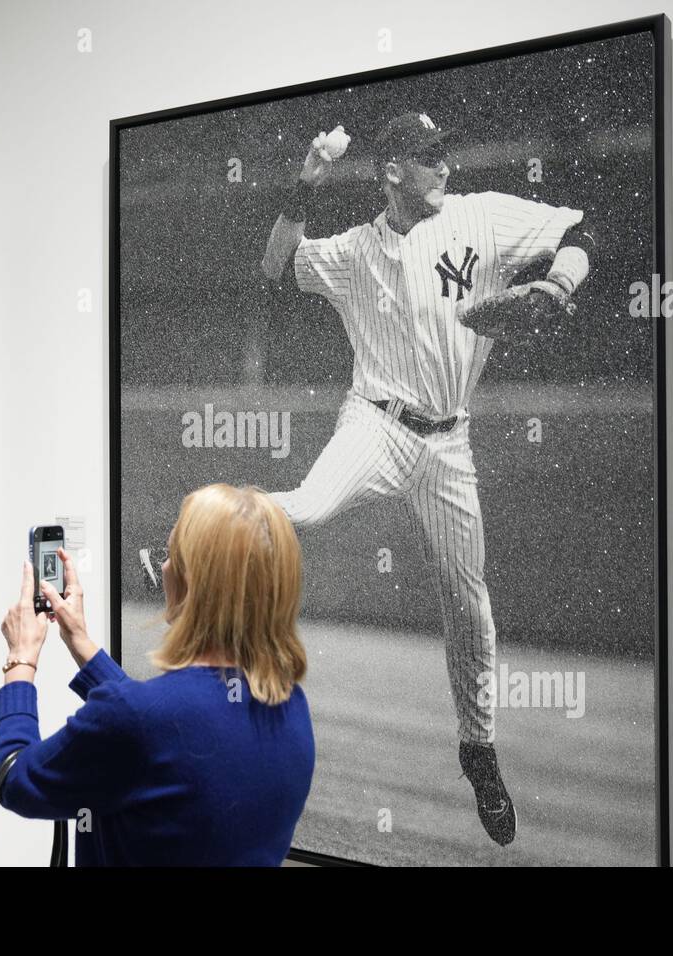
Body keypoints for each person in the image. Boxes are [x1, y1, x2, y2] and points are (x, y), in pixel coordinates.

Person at [146, 111, 596, 847]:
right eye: (427, 156)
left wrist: (553, 289)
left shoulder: (480, 218)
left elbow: (584, 232)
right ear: (390, 171)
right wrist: (303, 185)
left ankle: (478, 749)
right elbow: (273, 266)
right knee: (311, 508)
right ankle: (187, 539)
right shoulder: (355, 251)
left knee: (467, 599)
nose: (444, 166)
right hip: (377, 424)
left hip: (449, 442)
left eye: (445, 151)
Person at [0, 483, 315, 866]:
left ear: (192, 581)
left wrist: (21, 660)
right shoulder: (291, 705)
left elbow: (16, 781)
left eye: (171, 553)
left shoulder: (140, 719)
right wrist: (80, 641)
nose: (163, 566)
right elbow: (166, 734)